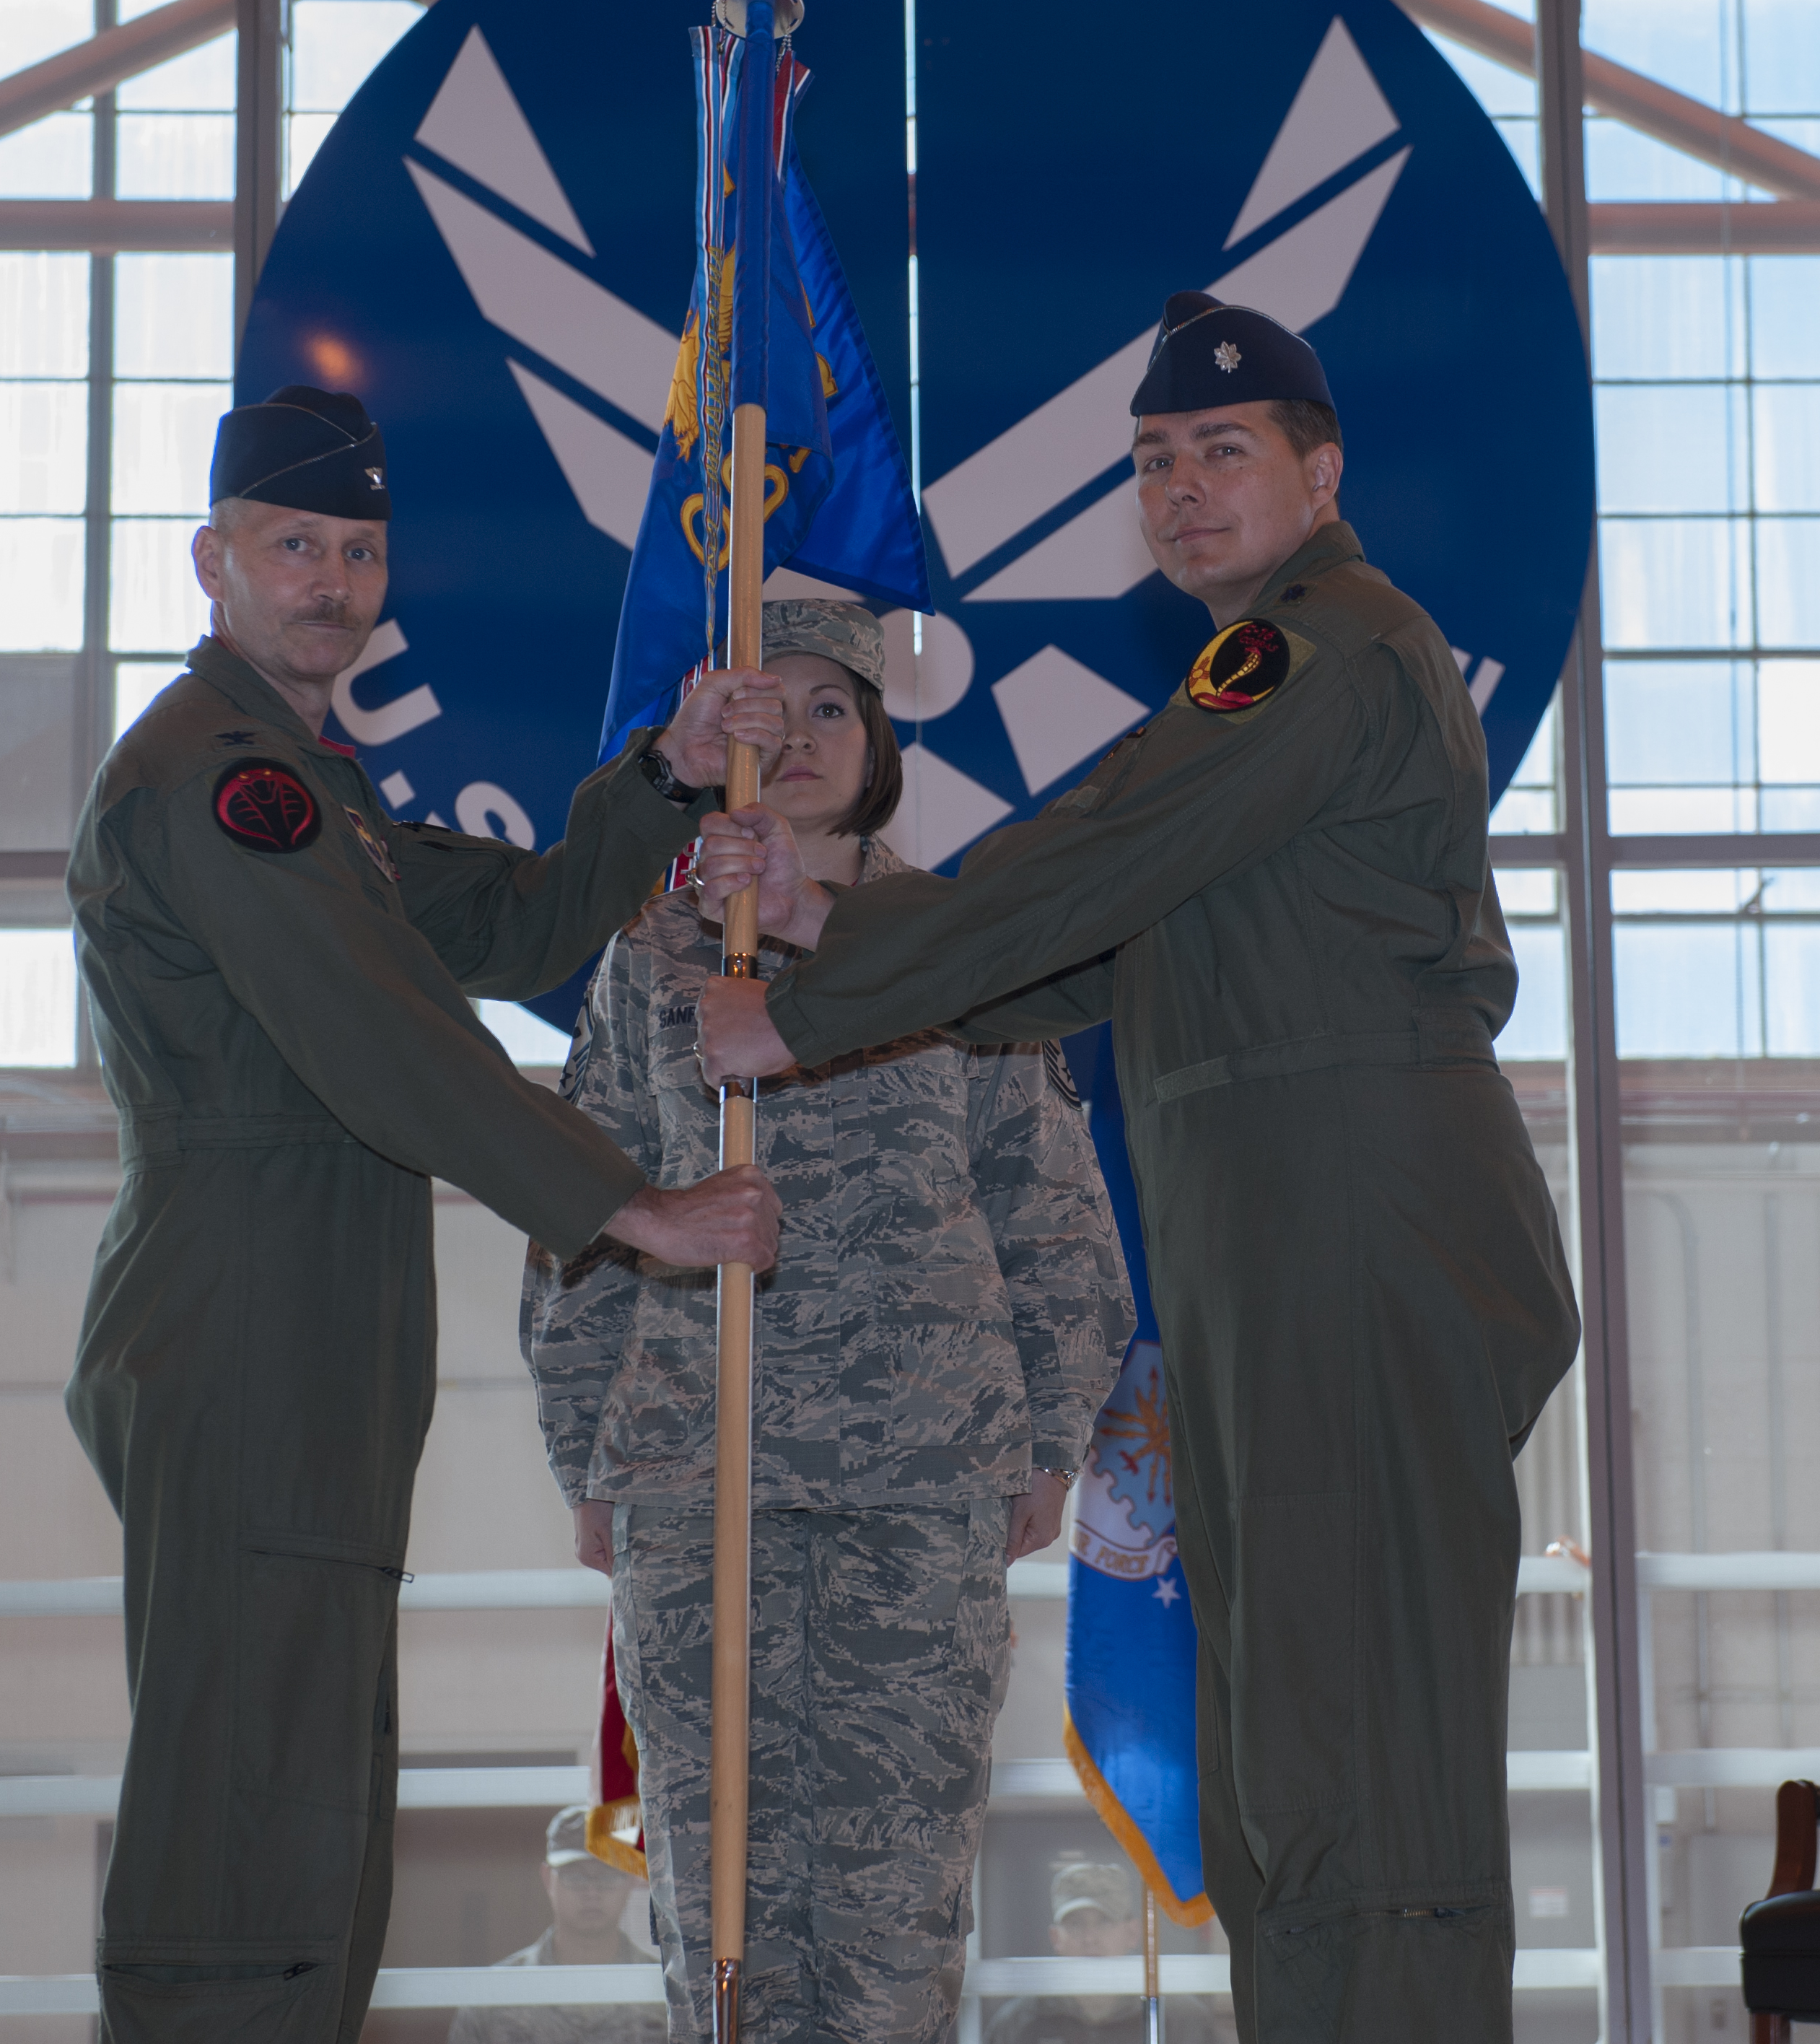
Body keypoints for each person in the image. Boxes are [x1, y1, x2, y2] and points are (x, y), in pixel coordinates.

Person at [693, 294, 1580, 2042]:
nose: (1181, 489)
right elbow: (1094, 955)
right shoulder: (1269, 665)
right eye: (1155, 461)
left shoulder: (1316, 649)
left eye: (1223, 451)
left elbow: (1111, 849)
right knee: (1293, 1777)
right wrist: (826, 920)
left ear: (1321, 472)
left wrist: (824, 996)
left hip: (1351, 1235)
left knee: (1366, 1781)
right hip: (1286, 1245)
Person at [66, 383, 785, 2044]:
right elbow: (383, 1030)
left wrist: (664, 777)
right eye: (292, 543)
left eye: (358, 549)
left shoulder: (303, 786)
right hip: (247, 1294)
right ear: (213, 560)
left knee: (302, 1797)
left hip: (296, 1307)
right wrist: (632, 1208)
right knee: (248, 1807)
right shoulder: (218, 779)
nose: (329, 579)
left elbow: (516, 928)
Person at [522, 597, 1134, 2043]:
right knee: (715, 1909)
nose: (793, 738)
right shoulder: (646, 959)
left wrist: (1048, 1442)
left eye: (831, 710)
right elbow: (580, 1205)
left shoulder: (962, 947)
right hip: (694, 1478)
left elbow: (1051, 1216)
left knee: (890, 1914)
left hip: (913, 1491)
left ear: (879, 750)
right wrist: (584, 1459)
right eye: (763, 707)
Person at [445, 1804, 666, 2044]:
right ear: (548, 1878)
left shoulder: (663, 1992)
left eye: (608, 1875)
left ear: (630, 1880)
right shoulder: (492, 1998)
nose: (592, 1891)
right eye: (575, 1875)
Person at [981, 1861, 1224, 2044]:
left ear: (1132, 1933)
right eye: (1075, 1924)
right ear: (1056, 1938)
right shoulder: (1018, 2024)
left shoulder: (1180, 2020)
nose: (1090, 1938)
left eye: (1104, 1922)